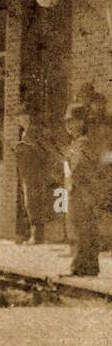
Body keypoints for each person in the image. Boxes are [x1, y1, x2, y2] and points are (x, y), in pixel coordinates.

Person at [62, 99, 111, 276]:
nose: (68, 126)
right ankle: (89, 266)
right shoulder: (85, 143)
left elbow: (78, 169)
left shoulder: (82, 144)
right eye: (67, 122)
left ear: (81, 122)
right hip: (85, 192)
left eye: (71, 121)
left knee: (78, 229)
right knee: (86, 229)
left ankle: (79, 267)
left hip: (80, 192)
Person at [14, 113, 57, 245]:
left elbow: (44, 151)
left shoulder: (34, 133)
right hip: (26, 172)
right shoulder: (24, 132)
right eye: (18, 117)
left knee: (33, 203)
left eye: (22, 117)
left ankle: (37, 236)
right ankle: (35, 235)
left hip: (35, 173)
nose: (19, 119)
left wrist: (27, 146)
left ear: (28, 117)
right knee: (29, 203)